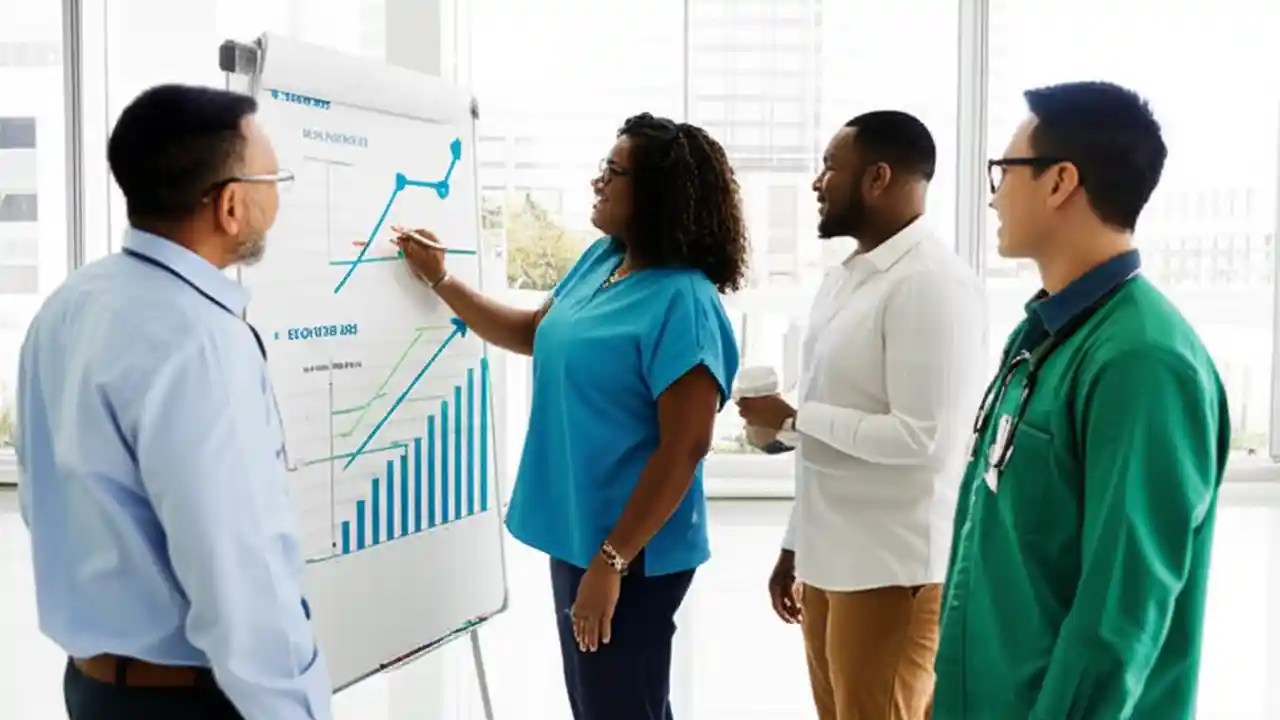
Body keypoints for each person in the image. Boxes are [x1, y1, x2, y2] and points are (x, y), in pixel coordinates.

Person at [395, 113, 744, 720]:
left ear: (656, 193)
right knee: (603, 704)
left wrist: (612, 562)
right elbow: (534, 331)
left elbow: (684, 448)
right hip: (583, 534)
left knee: (616, 706)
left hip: (632, 552)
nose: (597, 183)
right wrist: (442, 279)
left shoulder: (683, 300)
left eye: (613, 172)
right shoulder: (603, 260)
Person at [15, 84, 329, 720]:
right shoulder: (203, 342)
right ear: (232, 205)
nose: (278, 194)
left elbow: (40, 497)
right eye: (274, 177)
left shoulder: (71, 303)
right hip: (191, 701)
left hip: (94, 689)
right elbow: (239, 579)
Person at [932, 81, 1231, 719]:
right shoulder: (1043, 334)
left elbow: (1118, 612)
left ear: (1060, 180)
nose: (993, 197)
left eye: (1005, 171)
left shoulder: (1142, 361)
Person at [736, 111, 987, 720]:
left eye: (829, 166)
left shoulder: (931, 284)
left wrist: (795, 418)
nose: (817, 182)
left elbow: (920, 436)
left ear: (877, 177)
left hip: (891, 572)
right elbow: (834, 424)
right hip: (832, 562)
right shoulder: (847, 280)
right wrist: (797, 545)